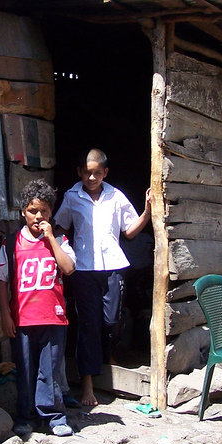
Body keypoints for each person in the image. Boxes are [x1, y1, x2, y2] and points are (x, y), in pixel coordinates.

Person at [54, 148, 151, 407]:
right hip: (84, 270)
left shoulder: (116, 197)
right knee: (88, 325)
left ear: (105, 173)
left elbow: (129, 231)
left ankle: (108, 356)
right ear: (79, 172)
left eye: (97, 173)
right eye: (87, 172)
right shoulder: (72, 196)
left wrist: (147, 213)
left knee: (111, 321)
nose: (92, 177)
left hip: (113, 267)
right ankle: (88, 385)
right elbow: (62, 227)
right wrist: (62, 252)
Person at [0, 179, 77, 437]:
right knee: (26, 369)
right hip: (23, 319)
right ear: (22, 212)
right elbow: (1, 281)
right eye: (32, 211)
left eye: (44, 211)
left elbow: (69, 268)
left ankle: (54, 416)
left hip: (53, 317)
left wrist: (51, 238)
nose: (38, 216)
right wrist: (6, 315)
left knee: (49, 371)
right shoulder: (12, 242)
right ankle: (26, 416)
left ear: (51, 212)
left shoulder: (59, 239)